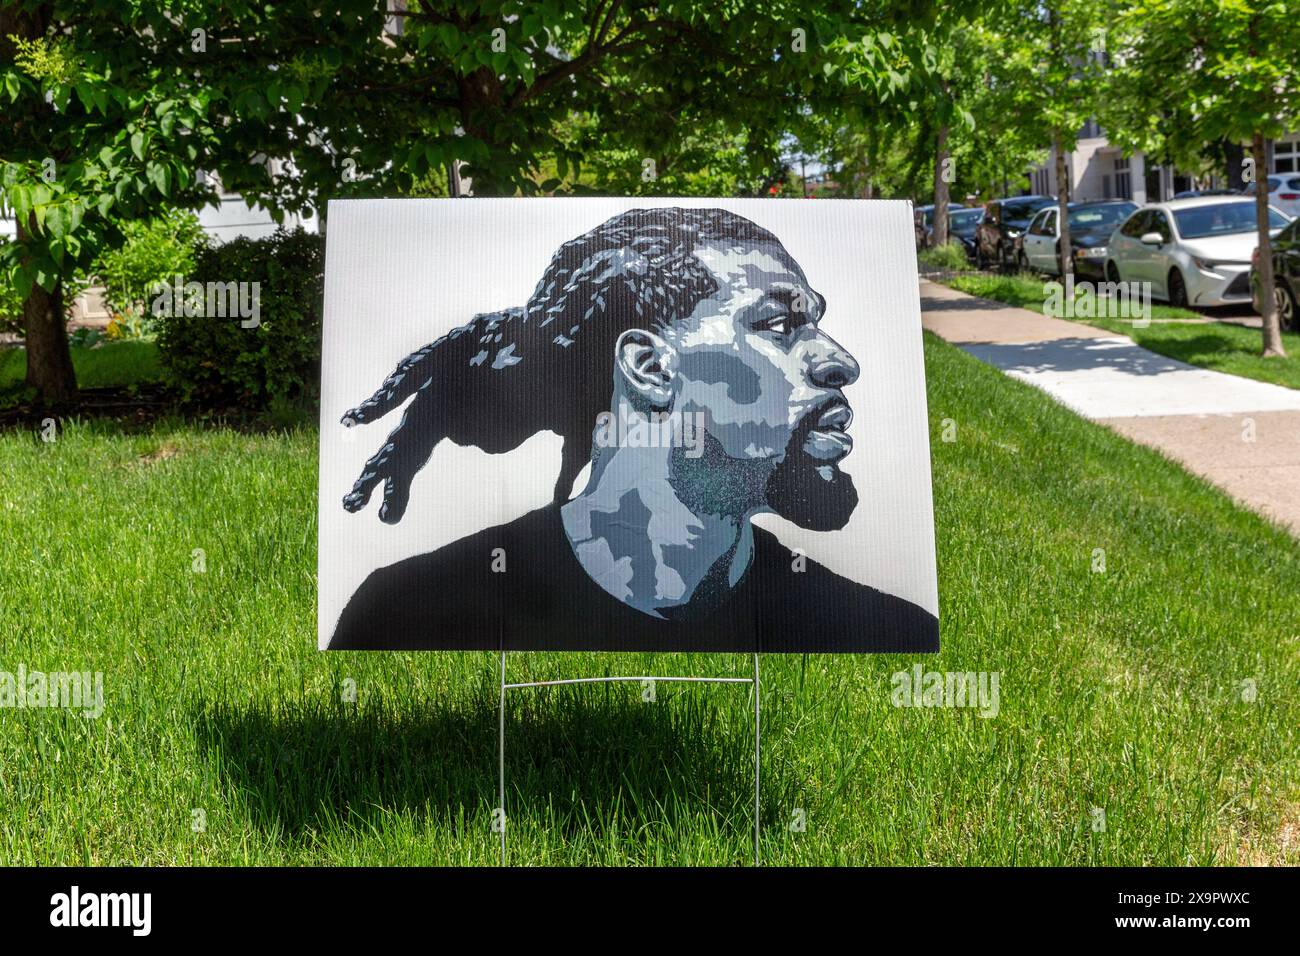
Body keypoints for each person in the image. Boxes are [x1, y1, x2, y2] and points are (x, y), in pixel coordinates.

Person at [330, 207, 937, 652]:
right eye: (779, 324)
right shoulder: (408, 615)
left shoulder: (887, 632)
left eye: (816, 323)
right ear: (648, 368)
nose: (840, 361)